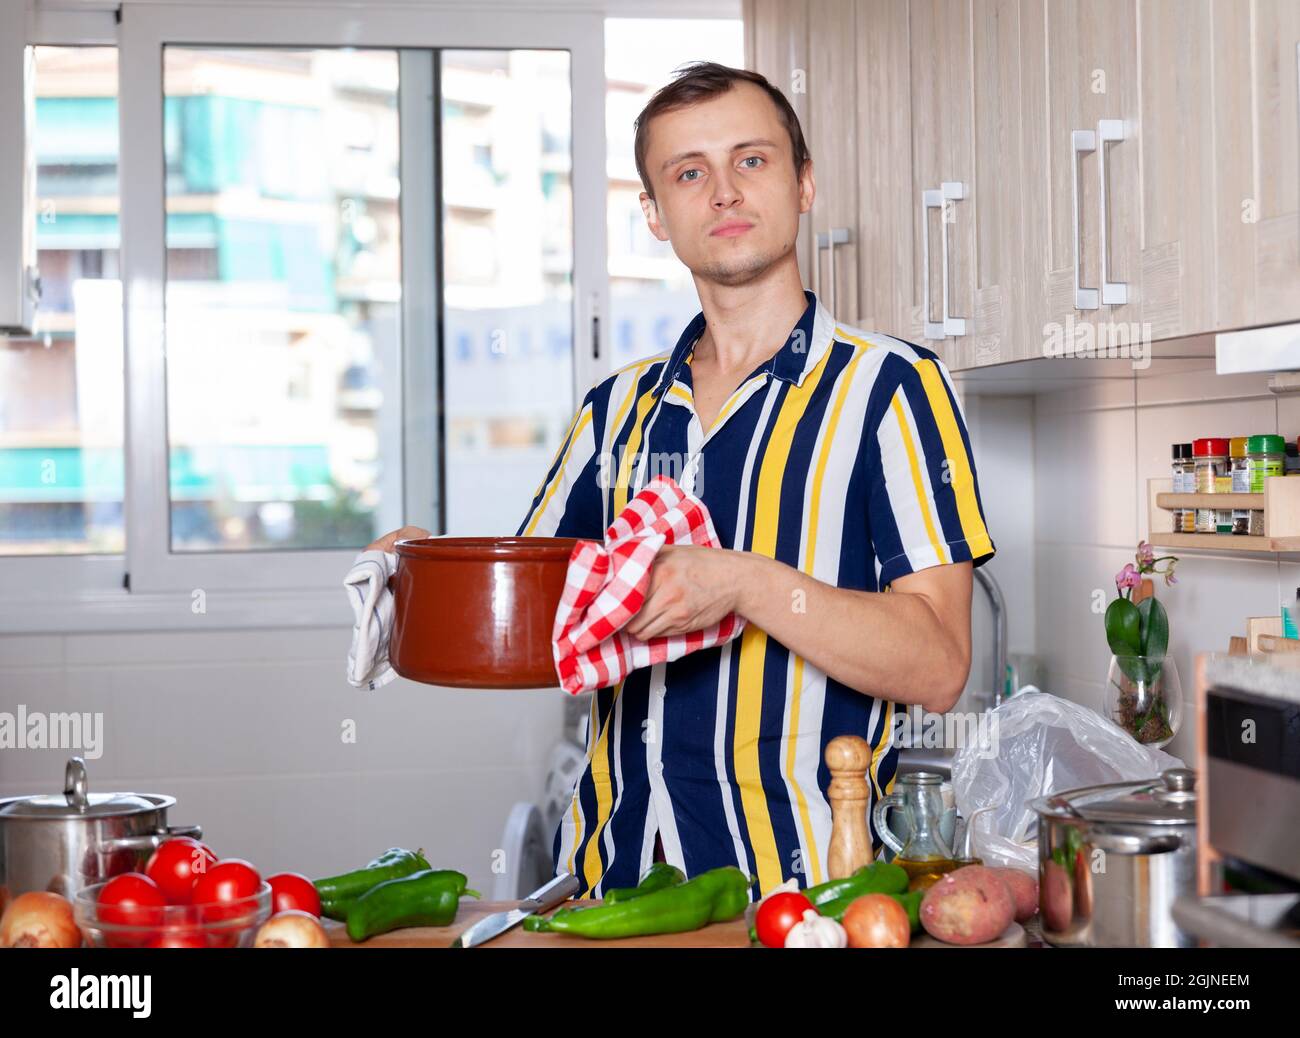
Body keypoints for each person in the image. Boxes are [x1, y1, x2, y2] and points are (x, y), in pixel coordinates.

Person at [368, 62, 995, 900]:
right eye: (689, 173)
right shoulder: (616, 408)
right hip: (605, 884)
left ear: (804, 184)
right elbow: (533, 616)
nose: (725, 192)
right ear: (656, 215)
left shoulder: (893, 389)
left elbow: (939, 665)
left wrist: (744, 583)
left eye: (753, 160)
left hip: (800, 897)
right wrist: (426, 566)